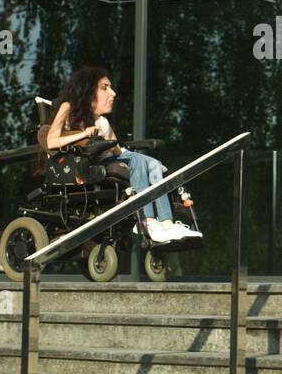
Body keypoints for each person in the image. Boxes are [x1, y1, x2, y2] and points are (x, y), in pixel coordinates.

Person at [45, 66, 197, 242]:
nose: (113, 93)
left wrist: (122, 149)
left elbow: (117, 150)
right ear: (87, 90)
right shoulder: (67, 108)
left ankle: (167, 223)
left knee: (153, 164)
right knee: (141, 162)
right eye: (104, 87)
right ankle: (147, 221)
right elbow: (51, 142)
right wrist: (85, 134)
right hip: (87, 162)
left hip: (110, 156)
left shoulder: (102, 121)